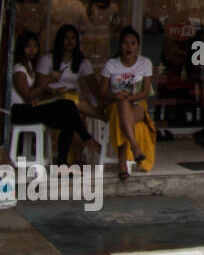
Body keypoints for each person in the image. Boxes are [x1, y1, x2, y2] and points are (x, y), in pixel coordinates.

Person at [10, 30, 99, 165]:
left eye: (34, 46)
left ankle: (62, 164)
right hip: (19, 112)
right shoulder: (19, 69)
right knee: (68, 107)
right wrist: (49, 79)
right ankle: (86, 139)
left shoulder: (29, 66)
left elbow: (33, 93)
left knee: (68, 114)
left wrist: (53, 92)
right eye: (28, 46)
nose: (31, 50)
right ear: (21, 48)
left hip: (29, 108)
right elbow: (27, 95)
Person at [99, 26, 156, 178]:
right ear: (120, 45)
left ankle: (122, 162)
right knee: (122, 108)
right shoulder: (111, 64)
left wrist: (129, 98)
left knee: (124, 107)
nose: (129, 47)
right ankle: (134, 147)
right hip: (114, 105)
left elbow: (145, 92)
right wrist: (116, 96)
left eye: (132, 43)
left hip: (137, 105)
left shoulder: (145, 63)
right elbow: (103, 92)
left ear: (137, 46)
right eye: (125, 43)